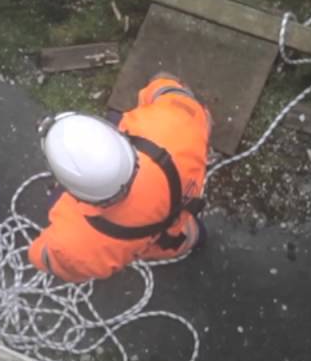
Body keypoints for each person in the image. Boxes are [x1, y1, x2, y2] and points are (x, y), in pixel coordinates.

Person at [28, 73, 212, 282]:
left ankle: (191, 239)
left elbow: (41, 255)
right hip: (182, 196)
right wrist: (161, 81)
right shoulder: (173, 121)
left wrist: (59, 206)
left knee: (171, 240)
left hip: (149, 242)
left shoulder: (77, 245)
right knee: (184, 234)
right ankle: (196, 238)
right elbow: (166, 87)